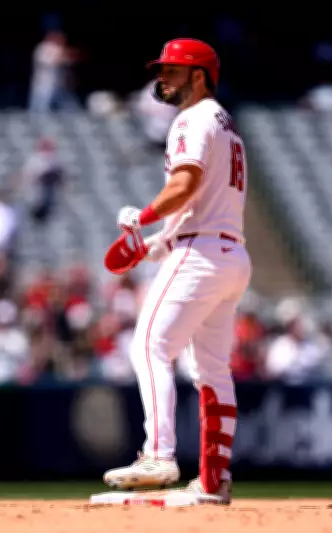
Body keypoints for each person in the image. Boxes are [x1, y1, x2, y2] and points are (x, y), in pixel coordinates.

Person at [102, 39, 251, 505]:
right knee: (211, 370)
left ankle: (158, 455)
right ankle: (212, 482)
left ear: (199, 75)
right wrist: (157, 243)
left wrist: (143, 216)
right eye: (162, 69)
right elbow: (205, 204)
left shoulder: (190, 119)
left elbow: (184, 187)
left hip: (201, 255)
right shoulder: (227, 126)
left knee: (149, 345)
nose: (162, 77)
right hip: (229, 257)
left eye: (172, 69)